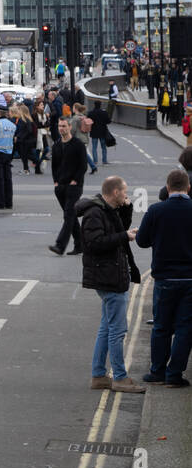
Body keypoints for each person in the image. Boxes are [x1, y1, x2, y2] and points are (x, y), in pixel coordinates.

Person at [78, 176, 144, 393]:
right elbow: (94, 244)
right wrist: (124, 235)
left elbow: (119, 229)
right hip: (108, 276)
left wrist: (126, 210)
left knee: (107, 327)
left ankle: (98, 375)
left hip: (112, 274)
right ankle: (119, 377)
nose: (127, 194)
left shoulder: (108, 210)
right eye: (125, 192)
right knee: (117, 330)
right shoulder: (94, 213)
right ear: (115, 192)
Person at [137, 168, 192, 387]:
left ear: (168, 188)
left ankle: (157, 372)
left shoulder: (156, 210)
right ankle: (174, 374)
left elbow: (142, 240)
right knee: (185, 329)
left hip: (164, 278)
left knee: (161, 326)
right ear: (188, 187)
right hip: (189, 279)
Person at [49, 117, 88, 256]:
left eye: (64, 126)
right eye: (60, 126)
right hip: (60, 186)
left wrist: (75, 180)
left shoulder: (78, 144)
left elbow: (83, 165)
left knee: (68, 215)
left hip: (74, 186)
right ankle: (80, 245)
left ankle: (60, 246)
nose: (62, 129)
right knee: (71, 216)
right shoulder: (57, 145)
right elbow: (54, 166)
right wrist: (55, 182)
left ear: (70, 127)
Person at [86, 98, 113, 167]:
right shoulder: (104, 113)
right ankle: (104, 160)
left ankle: (95, 161)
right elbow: (108, 121)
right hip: (102, 132)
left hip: (94, 132)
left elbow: (88, 121)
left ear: (94, 105)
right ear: (100, 105)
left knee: (94, 147)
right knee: (103, 147)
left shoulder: (91, 113)